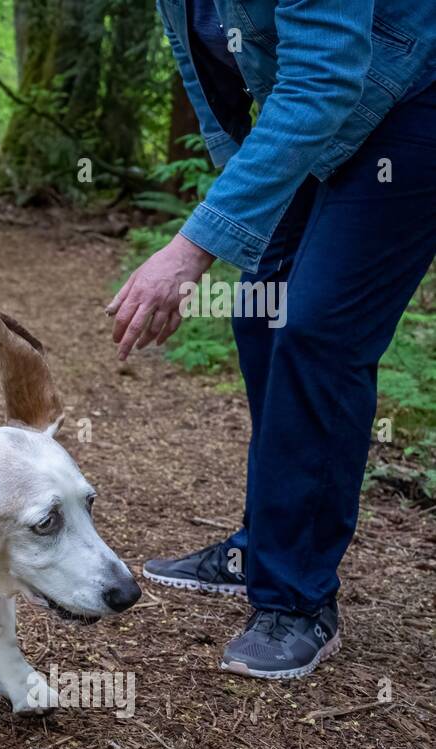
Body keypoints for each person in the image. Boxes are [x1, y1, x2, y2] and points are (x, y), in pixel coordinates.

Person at [108, 1, 436, 679]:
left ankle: (298, 598)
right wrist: (236, 210)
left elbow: (324, 75)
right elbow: (206, 76)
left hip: (411, 98)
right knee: (260, 308)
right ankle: (266, 543)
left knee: (318, 327)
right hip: (320, 112)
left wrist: (192, 249)